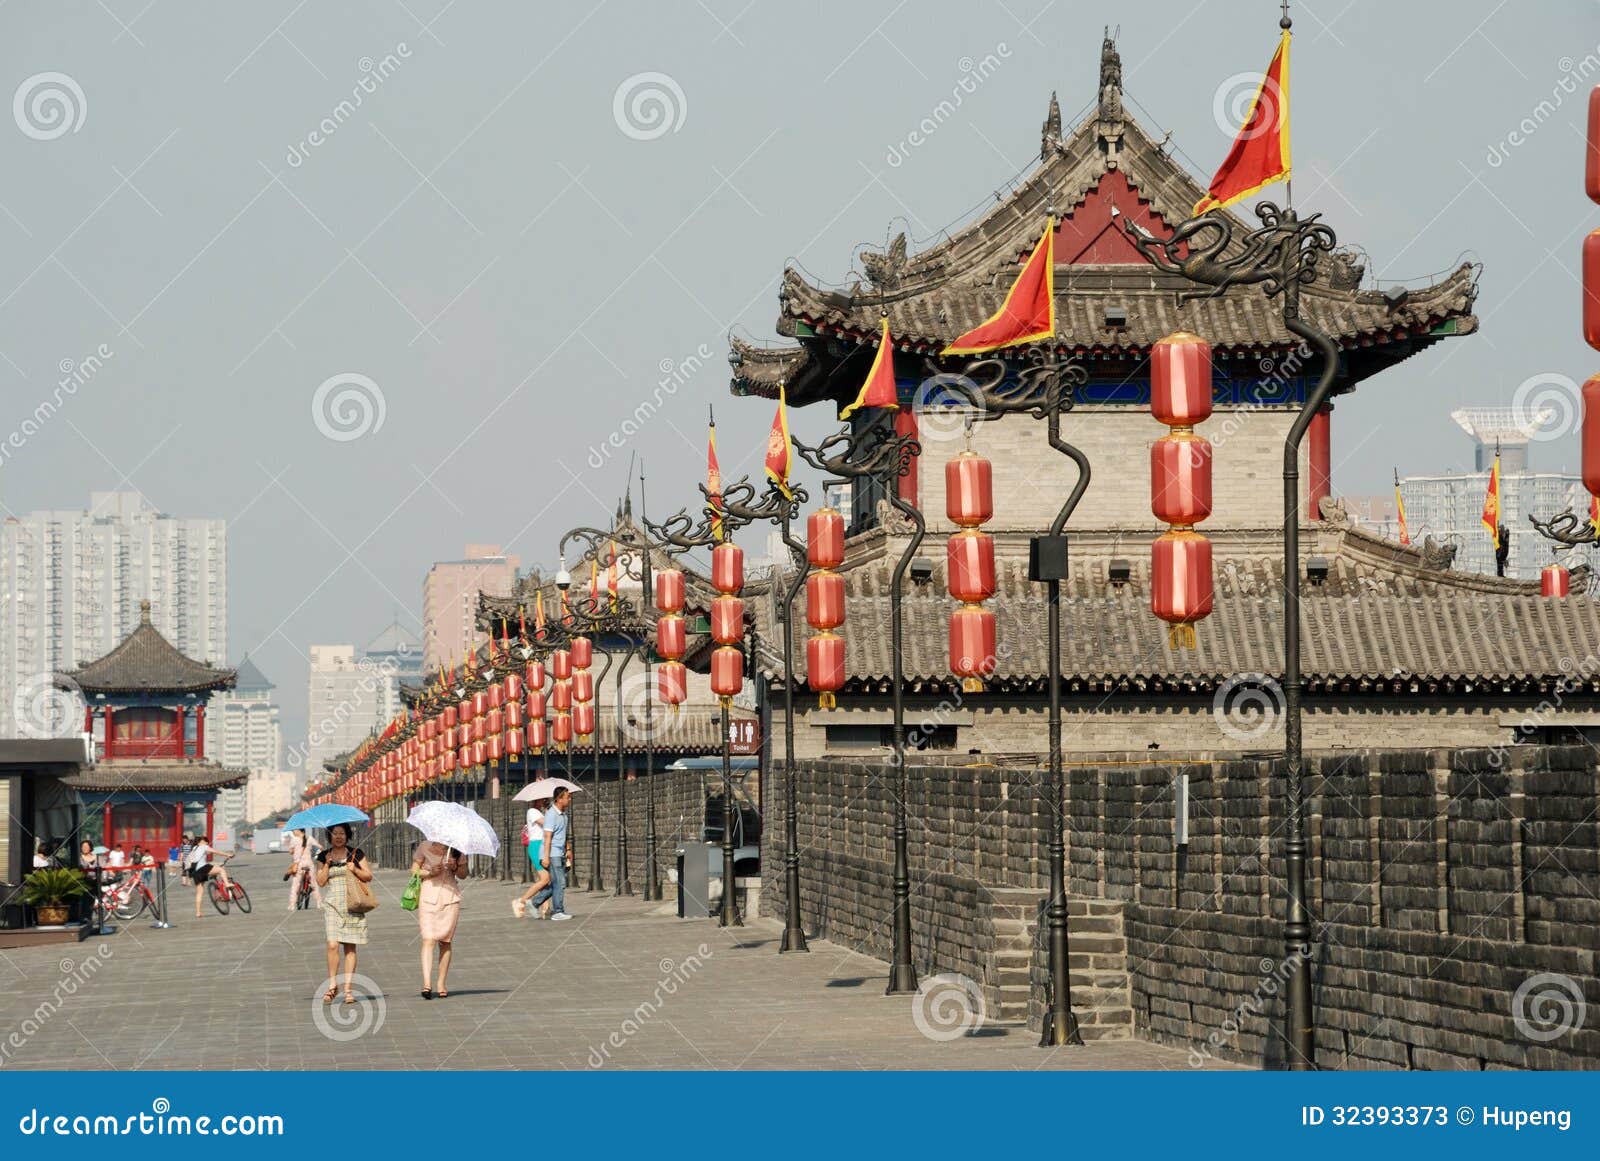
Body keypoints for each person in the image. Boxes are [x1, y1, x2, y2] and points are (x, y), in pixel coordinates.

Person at [314, 823, 372, 1005]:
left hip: (352, 903)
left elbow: (368, 876)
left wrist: (355, 869)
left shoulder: (356, 853)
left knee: (350, 948)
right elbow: (320, 882)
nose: (338, 836)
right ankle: (332, 985)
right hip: (332, 905)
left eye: (342, 833)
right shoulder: (323, 856)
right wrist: (327, 864)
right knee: (332, 945)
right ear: (329, 836)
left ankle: (348, 989)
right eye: (335, 833)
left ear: (347, 835)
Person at [411, 841, 463, 999]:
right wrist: (429, 873)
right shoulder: (425, 846)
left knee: (445, 941)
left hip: (450, 898)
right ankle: (427, 983)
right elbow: (414, 870)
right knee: (428, 939)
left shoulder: (457, 848)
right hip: (428, 896)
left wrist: (454, 867)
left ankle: (441, 982)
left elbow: (464, 874)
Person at [530, 787, 572, 921]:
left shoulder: (564, 816)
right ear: (559, 799)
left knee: (556, 883)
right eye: (567, 797)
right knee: (560, 882)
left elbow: (563, 835)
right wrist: (546, 857)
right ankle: (557, 911)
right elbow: (547, 837)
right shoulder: (551, 815)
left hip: (560, 853)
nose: (570, 799)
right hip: (552, 854)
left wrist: (568, 849)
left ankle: (534, 903)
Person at [512, 797, 551, 919]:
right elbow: (547, 824)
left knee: (547, 879)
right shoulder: (532, 811)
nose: (545, 800)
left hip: (542, 845)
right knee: (545, 878)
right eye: (543, 799)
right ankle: (521, 901)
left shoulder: (540, 812)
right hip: (536, 845)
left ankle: (546, 909)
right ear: (537, 799)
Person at [185, 835, 234, 917]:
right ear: (200, 842)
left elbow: (191, 861)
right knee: (221, 870)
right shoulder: (204, 846)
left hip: (194, 872)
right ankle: (227, 884)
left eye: (207, 842)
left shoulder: (194, 848)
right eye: (205, 841)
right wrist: (227, 855)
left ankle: (198, 913)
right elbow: (216, 851)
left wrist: (188, 877)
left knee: (199, 892)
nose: (207, 843)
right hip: (203, 868)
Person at [286, 828, 321, 911]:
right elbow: (320, 847)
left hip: (299, 865)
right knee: (314, 884)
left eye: (294, 830)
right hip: (309, 864)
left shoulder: (294, 839)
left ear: (299, 830)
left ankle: (292, 905)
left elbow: (290, 851)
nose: (293, 832)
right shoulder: (310, 838)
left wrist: (294, 851)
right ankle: (319, 903)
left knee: (295, 885)